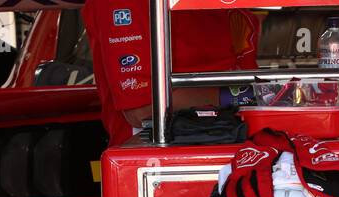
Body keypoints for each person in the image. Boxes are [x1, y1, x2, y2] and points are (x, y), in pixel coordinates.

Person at [82, 0, 260, 145]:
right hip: (162, 158)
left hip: (239, 142)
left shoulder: (228, 6)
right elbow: (142, 111)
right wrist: (243, 96)